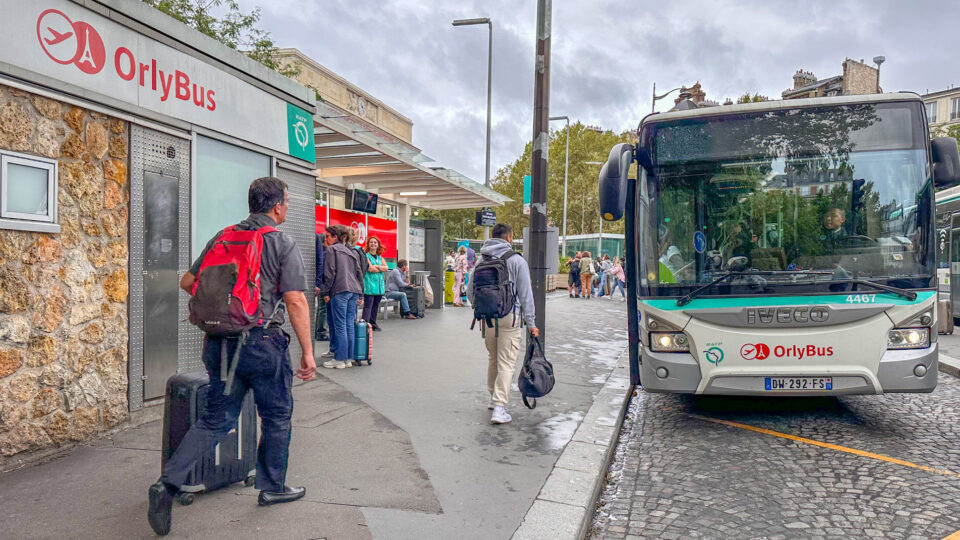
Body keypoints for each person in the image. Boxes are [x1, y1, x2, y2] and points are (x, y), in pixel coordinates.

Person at [148, 177, 315, 536]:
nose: (287, 207)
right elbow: (296, 300)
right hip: (262, 343)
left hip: (219, 342)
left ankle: (168, 484)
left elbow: (189, 281)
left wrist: (226, 304)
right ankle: (272, 487)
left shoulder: (224, 236)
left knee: (216, 418)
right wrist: (308, 352)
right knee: (276, 415)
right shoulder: (281, 242)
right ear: (277, 207)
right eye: (287, 201)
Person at [467, 223, 539, 425]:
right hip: (510, 316)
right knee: (507, 361)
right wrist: (531, 322)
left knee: (493, 358)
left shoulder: (481, 259)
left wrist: (479, 307)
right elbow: (526, 295)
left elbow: (470, 291)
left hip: (487, 318)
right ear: (509, 238)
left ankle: (493, 398)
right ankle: (499, 408)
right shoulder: (516, 260)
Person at [319, 225, 364, 369]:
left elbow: (330, 272)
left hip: (339, 290)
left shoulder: (332, 250)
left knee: (339, 325)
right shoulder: (352, 252)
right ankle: (347, 359)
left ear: (336, 237)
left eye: (329, 236)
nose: (326, 239)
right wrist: (361, 293)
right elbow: (359, 273)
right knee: (348, 324)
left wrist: (326, 292)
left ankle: (339, 359)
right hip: (354, 290)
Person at [361, 236, 389, 331]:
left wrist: (377, 266)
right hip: (369, 287)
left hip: (379, 288)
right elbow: (370, 269)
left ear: (378, 245)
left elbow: (386, 268)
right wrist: (380, 267)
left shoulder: (380, 257)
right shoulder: (366, 256)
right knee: (368, 307)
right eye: (371, 242)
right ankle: (365, 325)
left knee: (375, 307)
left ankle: (373, 323)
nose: (373, 244)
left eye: (375, 242)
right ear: (368, 245)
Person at [318, 228, 339, 360]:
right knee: (327, 313)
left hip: (327, 287)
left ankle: (333, 347)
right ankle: (321, 331)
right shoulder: (328, 252)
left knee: (325, 312)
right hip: (328, 287)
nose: (327, 240)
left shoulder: (328, 252)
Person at [314, 232, 329, 341]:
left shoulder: (323, 253)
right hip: (324, 285)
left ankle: (320, 330)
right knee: (323, 309)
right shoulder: (326, 254)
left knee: (321, 308)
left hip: (322, 284)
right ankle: (321, 331)